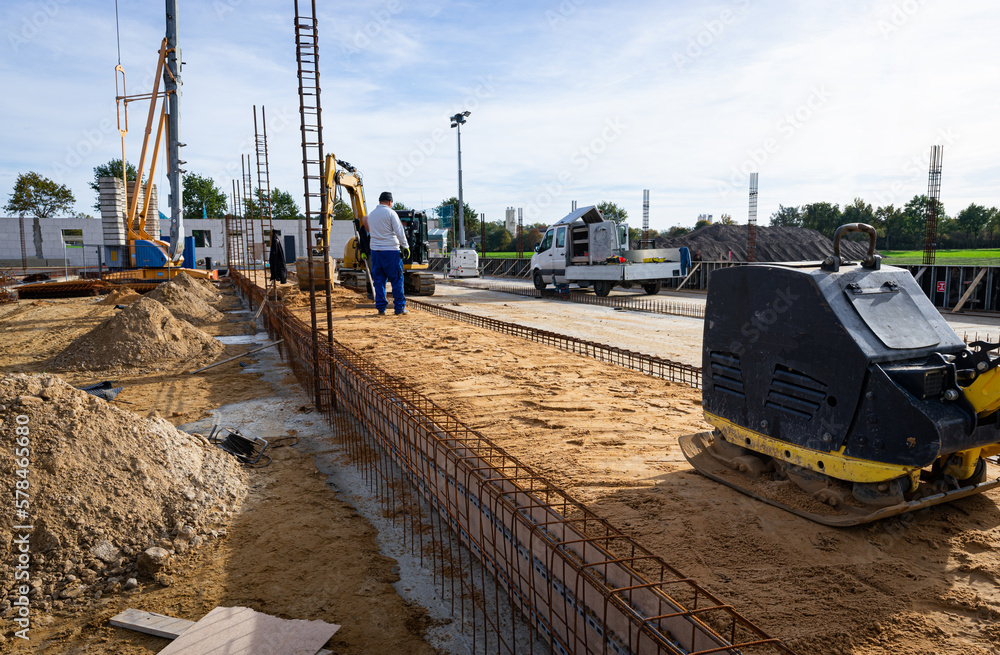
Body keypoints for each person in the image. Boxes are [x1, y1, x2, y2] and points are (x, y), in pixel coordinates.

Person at [362, 191, 410, 315]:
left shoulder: (371, 215)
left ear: (380, 201)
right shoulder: (391, 213)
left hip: (376, 253)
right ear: (390, 202)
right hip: (391, 252)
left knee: (379, 281)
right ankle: (399, 308)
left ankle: (381, 309)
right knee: (396, 280)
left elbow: (370, 233)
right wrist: (405, 246)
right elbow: (399, 231)